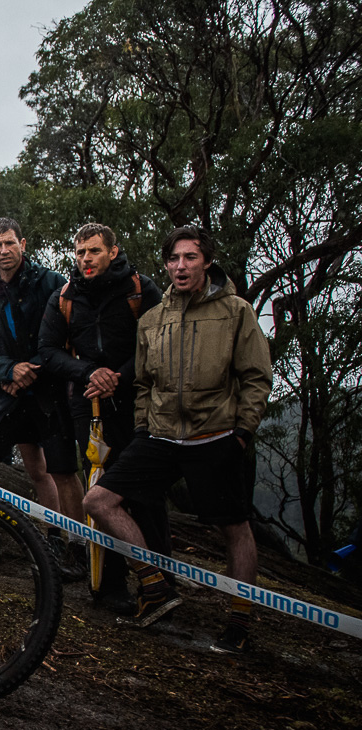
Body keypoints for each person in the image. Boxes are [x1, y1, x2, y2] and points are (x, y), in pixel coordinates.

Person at [83, 226, 272, 653]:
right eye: (174, 259)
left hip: (217, 435)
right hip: (161, 436)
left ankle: (239, 624)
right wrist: (144, 428)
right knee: (98, 501)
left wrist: (242, 433)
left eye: (190, 258)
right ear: (165, 264)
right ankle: (155, 586)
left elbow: (256, 377)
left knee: (234, 529)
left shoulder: (236, 311)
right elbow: (145, 383)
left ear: (206, 261)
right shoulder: (153, 318)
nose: (181, 266)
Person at [38, 221, 167, 610]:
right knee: (99, 484)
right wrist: (88, 373)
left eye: (94, 251)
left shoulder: (141, 289)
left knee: (145, 490)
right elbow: (47, 349)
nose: (86, 259)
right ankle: (110, 585)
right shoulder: (65, 296)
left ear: (112, 251)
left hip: (138, 401)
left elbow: (159, 342)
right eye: (80, 253)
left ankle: (162, 581)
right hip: (87, 403)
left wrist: (119, 377)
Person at [0, 219, 74, 560]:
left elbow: (64, 337)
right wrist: (8, 370)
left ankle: (70, 543)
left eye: (9, 243)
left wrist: (27, 368)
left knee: (55, 470)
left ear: (22, 244)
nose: (4, 251)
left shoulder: (52, 283)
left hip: (48, 386)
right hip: (5, 390)